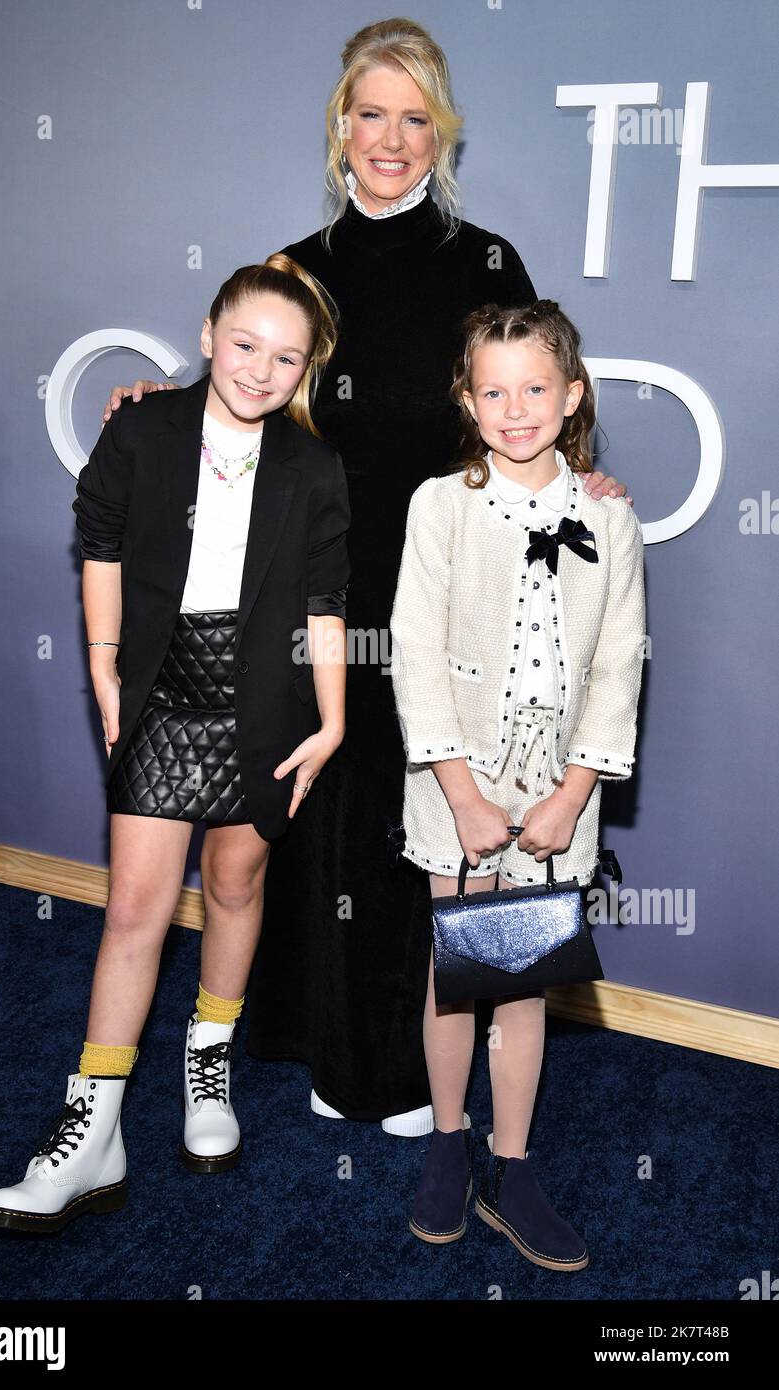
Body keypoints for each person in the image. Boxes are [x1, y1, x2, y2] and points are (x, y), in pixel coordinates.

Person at [103, 17, 631, 1134]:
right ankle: (322, 1049)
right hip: (316, 596)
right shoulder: (299, 267)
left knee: (431, 827)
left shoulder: (486, 263)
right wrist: (151, 406)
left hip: (454, 597)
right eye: (369, 114)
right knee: (323, 821)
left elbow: (533, 392)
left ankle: (409, 1072)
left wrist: (590, 482)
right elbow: (239, 387)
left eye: (414, 117)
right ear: (338, 128)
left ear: (441, 134)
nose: (390, 138)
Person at [0, 255, 350, 1234]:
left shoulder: (312, 467)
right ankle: (94, 1127)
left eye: (285, 358)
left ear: (304, 367)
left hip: (265, 700)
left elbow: (324, 602)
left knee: (234, 885)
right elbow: (97, 538)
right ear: (206, 335)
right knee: (135, 908)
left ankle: (208, 1059)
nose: (261, 370)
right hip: (162, 694)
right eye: (245, 346)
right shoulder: (142, 429)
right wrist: (103, 662)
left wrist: (334, 719)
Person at [390, 299, 646, 1267]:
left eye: (535, 387)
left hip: (556, 788)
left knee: (521, 983)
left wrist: (573, 793)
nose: (515, 407)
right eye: (492, 390)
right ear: (467, 400)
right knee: (457, 972)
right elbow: (412, 651)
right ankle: (448, 1145)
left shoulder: (608, 516)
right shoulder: (439, 503)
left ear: (571, 395)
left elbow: (620, 662)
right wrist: (461, 790)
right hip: (455, 777)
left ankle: (514, 1163)